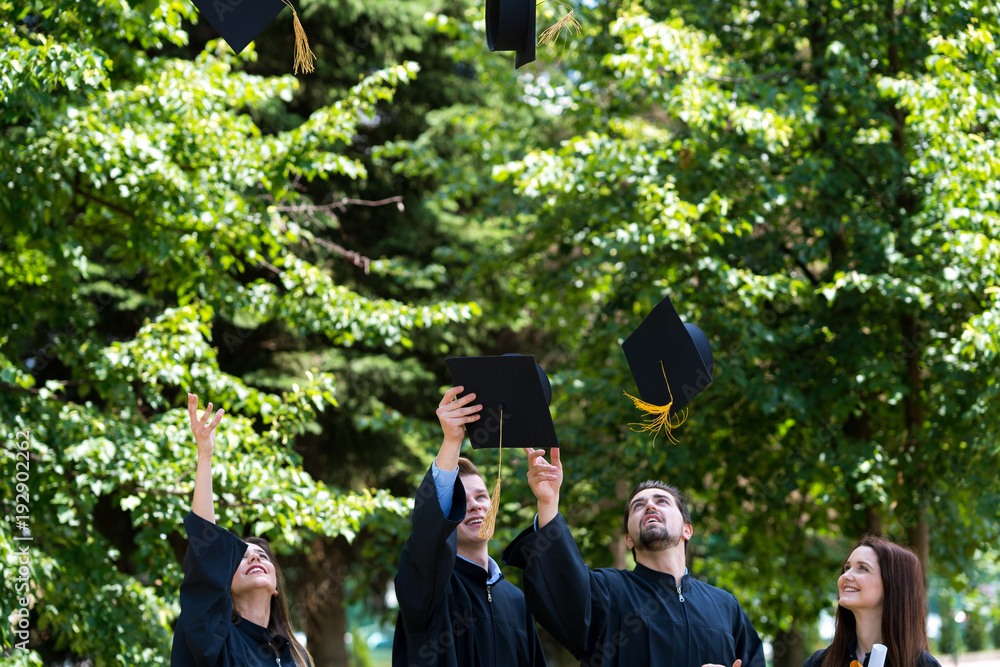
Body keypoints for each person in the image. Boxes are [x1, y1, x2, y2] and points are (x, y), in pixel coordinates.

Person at [502, 447, 765, 667]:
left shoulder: (725, 607)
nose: (650, 505)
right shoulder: (607, 591)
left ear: (687, 529)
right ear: (628, 538)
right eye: (638, 506)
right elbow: (562, 585)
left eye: (662, 501)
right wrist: (549, 503)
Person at [392, 386, 547, 667]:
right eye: (461, 500)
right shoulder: (431, 588)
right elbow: (427, 540)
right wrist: (452, 442)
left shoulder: (517, 602)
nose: (475, 505)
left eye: (481, 496)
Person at [171, 393, 313, 667]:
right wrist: (205, 457)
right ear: (223, 581)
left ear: (275, 588)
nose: (255, 558)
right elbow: (206, 554)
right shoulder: (213, 639)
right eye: (243, 557)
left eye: (262, 555)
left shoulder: (295, 656)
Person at [804, 536, 942, 667]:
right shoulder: (818, 663)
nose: (846, 576)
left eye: (863, 568)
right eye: (847, 568)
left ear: (893, 585)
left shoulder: (922, 665)